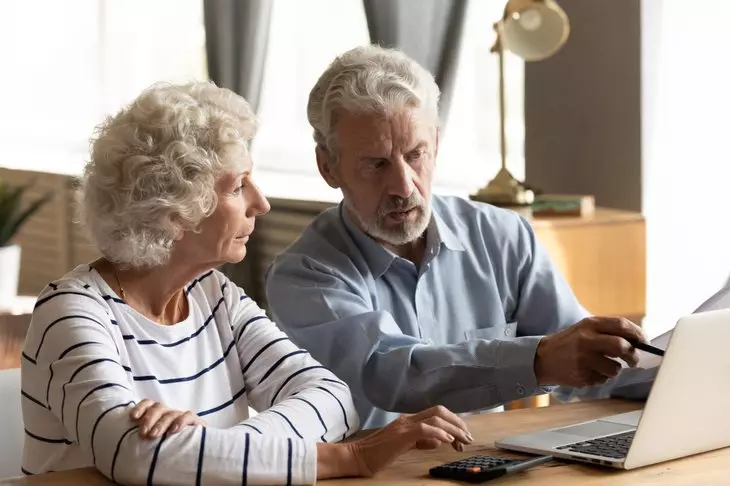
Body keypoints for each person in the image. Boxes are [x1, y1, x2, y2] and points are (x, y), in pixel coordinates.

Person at [20, 82, 473, 485]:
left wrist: (207, 450)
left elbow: (333, 399)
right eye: (238, 187)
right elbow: (135, 456)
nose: (261, 203)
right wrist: (348, 456)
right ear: (177, 211)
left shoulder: (215, 295)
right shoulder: (73, 311)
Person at [265, 45, 653, 430]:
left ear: (435, 142)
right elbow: (392, 372)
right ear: (327, 166)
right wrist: (538, 359)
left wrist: (679, 370)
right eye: (377, 164)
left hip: (492, 464)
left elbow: (591, 363)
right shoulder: (305, 276)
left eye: (416, 155)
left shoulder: (502, 237)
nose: (403, 185)